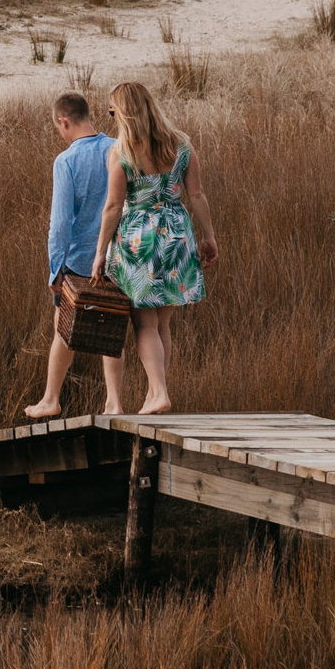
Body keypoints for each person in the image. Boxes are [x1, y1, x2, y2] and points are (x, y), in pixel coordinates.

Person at [90, 79, 219, 416]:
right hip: (177, 234)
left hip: (139, 240)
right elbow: (198, 195)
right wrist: (208, 237)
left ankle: (159, 392)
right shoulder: (182, 145)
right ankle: (153, 395)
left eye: (112, 111)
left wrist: (100, 252)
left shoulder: (121, 152)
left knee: (144, 324)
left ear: (123, 114)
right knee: (162, 325)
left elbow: (114, 207)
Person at [25, 92, 126, 419]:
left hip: (79, 261)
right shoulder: (117, 148)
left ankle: (51, 398)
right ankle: (114, 403)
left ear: (64, 121)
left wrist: (56, 270)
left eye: (59, 127)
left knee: (63, 329)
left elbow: (60, 223)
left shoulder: (66, 161)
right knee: (111, 329)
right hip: (116, 257)